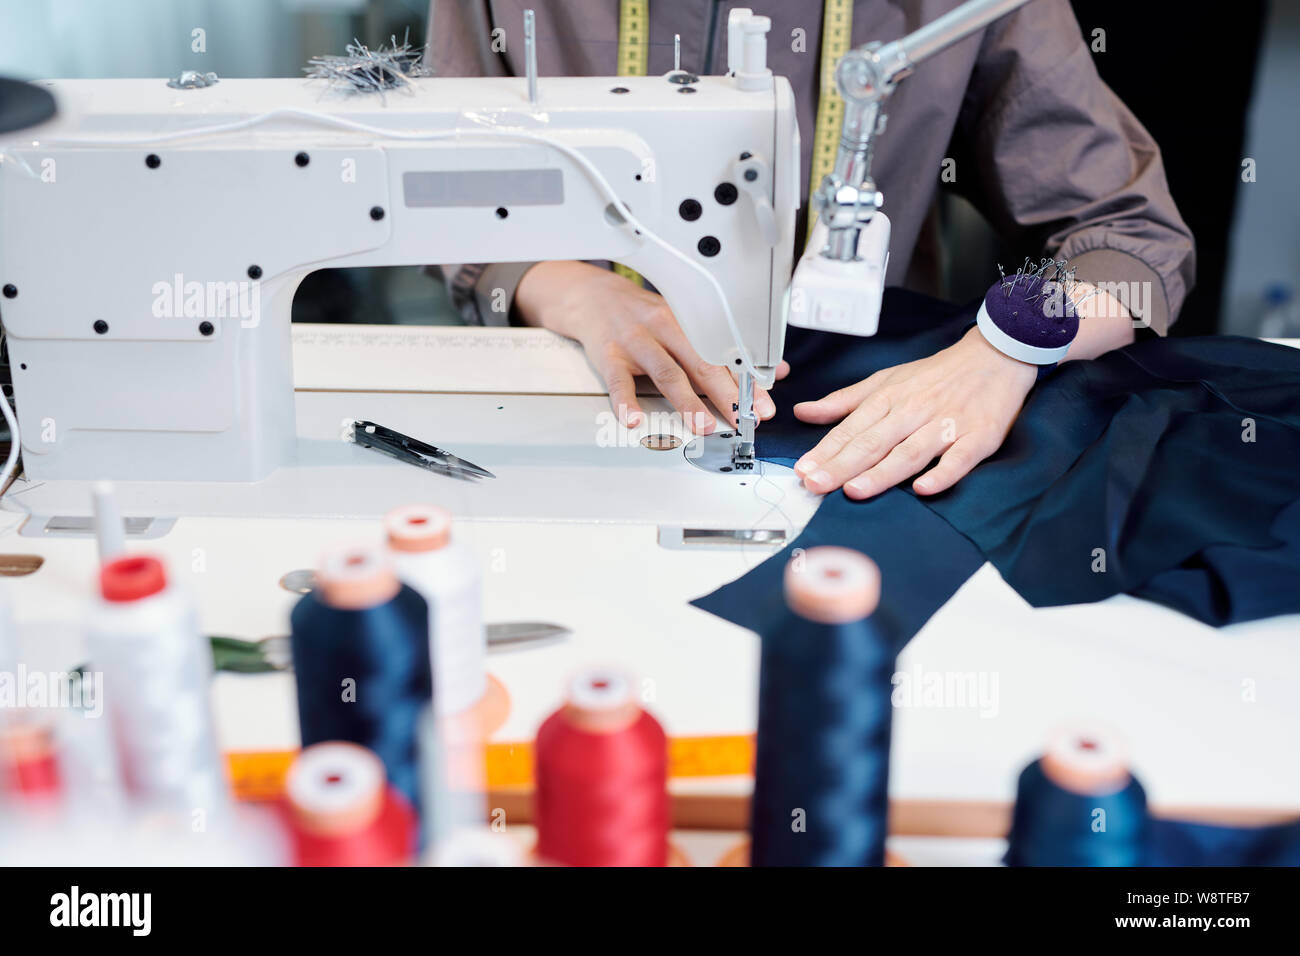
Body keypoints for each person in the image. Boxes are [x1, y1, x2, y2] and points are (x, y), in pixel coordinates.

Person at [425, 0, 1195, 499]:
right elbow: (435, 184)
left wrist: (1007, 346)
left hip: (863, 402)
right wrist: (565, 286)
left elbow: (1132, 242)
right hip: (558, 391)